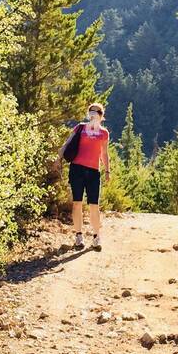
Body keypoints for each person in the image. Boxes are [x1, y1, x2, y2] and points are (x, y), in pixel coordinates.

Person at [61, 102, 110, 251]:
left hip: (94, 172)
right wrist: (58, 160)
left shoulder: (104, 133)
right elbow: (67, 144)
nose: (94, 114)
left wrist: (107, 170)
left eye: (97, 112)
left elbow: (104, 153)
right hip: (77, 169)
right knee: (77, 203)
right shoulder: (80, 128)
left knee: (94, 206)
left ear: (102, 116)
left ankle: (96, 237)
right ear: (88, 114)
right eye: (91, 112)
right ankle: (78, 236)